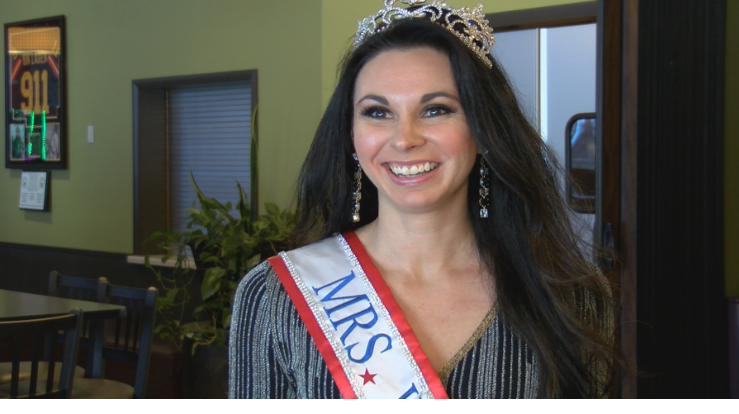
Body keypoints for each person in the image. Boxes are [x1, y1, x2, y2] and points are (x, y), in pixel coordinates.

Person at [229, 0, 620, 399]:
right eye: (377, 113)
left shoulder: (572, 296)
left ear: (483, 131)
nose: (404, 139)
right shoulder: (274, 297)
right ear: (350, 136)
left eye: (436, 110)